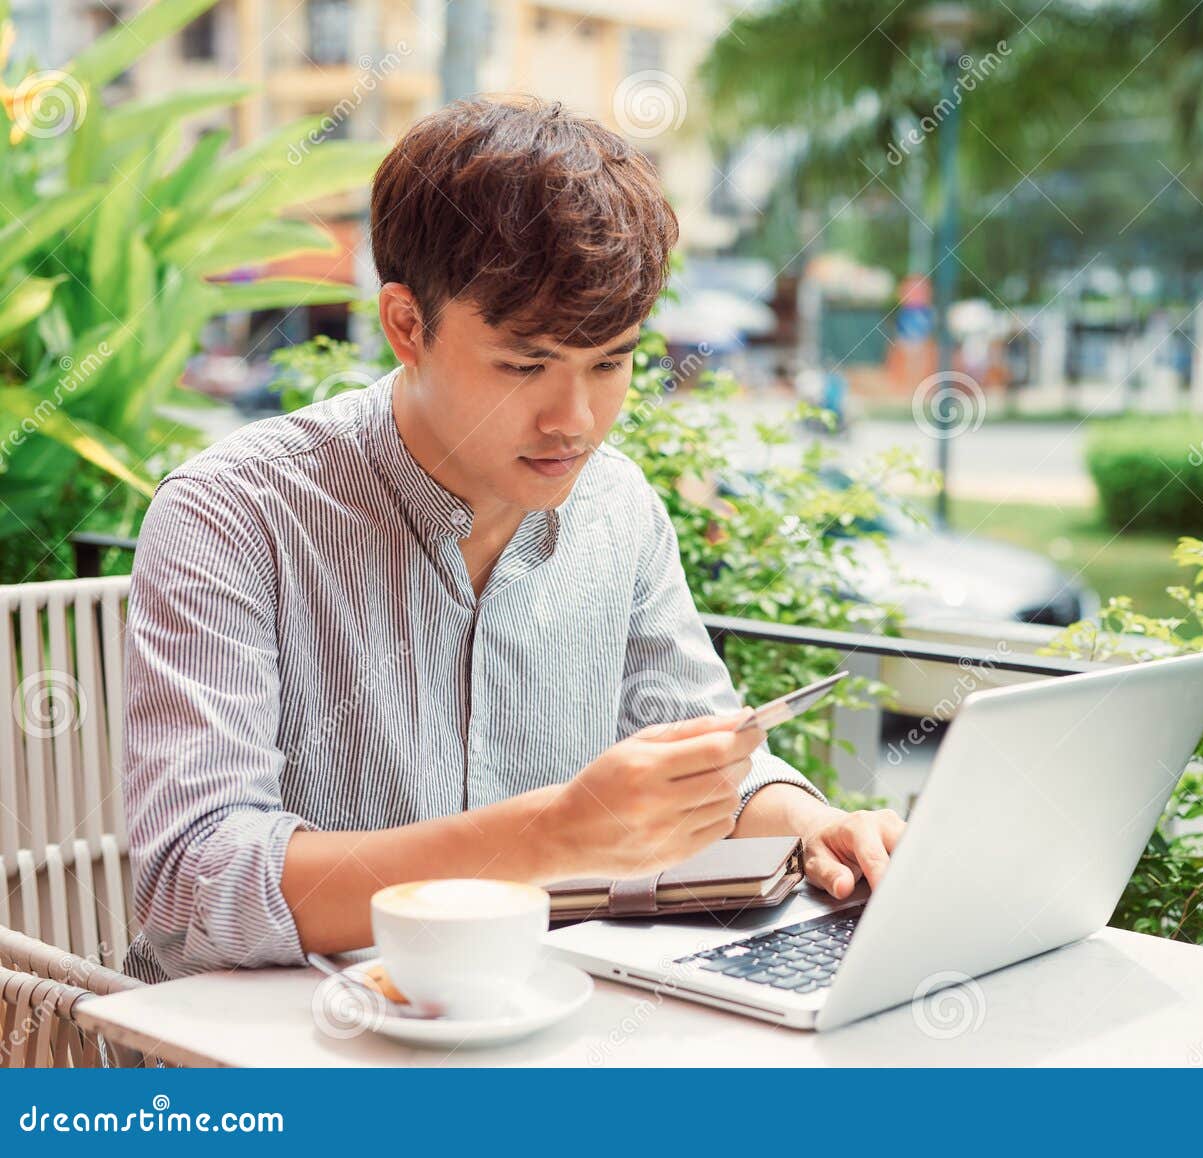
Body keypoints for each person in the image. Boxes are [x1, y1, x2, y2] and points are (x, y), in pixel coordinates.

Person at [122, 97, 905, 982]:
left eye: (611, 363)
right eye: (526, 366)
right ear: (406, 325)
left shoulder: (619, 509)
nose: (575, 421)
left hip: (523, 1029)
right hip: (268, 1059)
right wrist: (551, 835)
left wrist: (814, 824)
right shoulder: (235, 513)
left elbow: (705, 750)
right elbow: (192, 889)